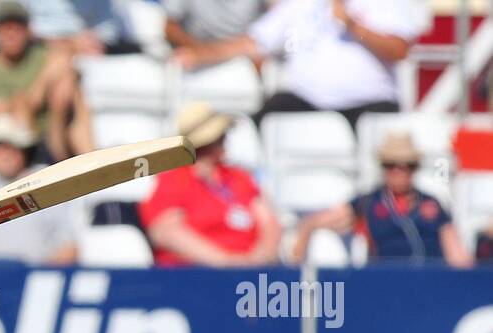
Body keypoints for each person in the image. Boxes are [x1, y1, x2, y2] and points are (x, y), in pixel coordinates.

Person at [173, 0, 426, 129]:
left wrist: (353, 26)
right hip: (309, 100)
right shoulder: (303, 3)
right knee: (255, 122)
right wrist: (199, 54)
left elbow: (399, 49)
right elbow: (254, 42)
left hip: (368, 106)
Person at [292, 132, 473, 268]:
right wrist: (304, 236)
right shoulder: (369, 201)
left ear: (414, 168)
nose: (398, 172)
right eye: (391, 165)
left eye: (406, 166)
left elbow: (455, 252)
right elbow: (322, 220)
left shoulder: (431, 203)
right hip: (387, 280)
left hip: (432, 277)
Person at [139, 101, 280, 267]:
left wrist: (259, 258)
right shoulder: (174, 179)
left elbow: (268, 222)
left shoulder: (239, 177)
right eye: (220, 136)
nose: (225, 139)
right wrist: (225, 262)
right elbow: (165, 232)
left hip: (250, 274)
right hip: (194, 278)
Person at [0, 1, 92, 164]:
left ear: (28, 31)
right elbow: (9, 114)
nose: (12, 34)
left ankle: (83, 156)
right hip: (12, 149)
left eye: (18, 28)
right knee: (15, 117)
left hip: (47, 134)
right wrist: (41, 86)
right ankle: (66, 158)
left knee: (67, 85)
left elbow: (63, 60)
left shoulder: (39, 56)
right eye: (6, 28)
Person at [0, 114, 78, 265]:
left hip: (37, 277)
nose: (6, 153)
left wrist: (38, 275)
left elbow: (69, 247)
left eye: (12, 146)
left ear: (24, 150)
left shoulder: (46, 181)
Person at [23, 0, 136, 55]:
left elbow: (107, 36)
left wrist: (93, 42)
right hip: (39, 54)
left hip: (85, 58)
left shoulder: (105, 2)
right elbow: (19, 32)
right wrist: (70, 44)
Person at [162, 0, 264, 47]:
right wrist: (202, 52)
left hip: (244, 54)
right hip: (196, 57)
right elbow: (170, 27)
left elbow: (274, 25)